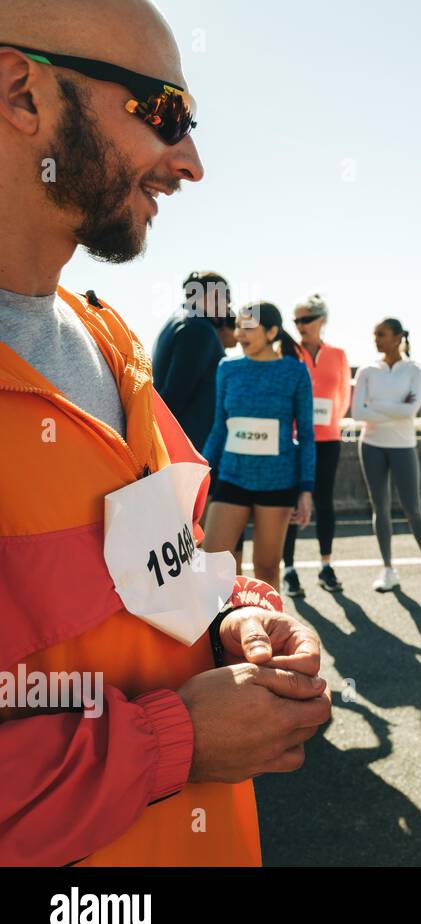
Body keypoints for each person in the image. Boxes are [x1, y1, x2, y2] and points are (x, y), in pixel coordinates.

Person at [0, 0, 329, 867]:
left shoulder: (110, 344)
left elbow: (181, 573)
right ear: (20, 92)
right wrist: (172, 740)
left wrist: (241, 621)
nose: (189, 161)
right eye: (163, 112)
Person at [201, 302, 316, 594]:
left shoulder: (295, 372)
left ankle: (269, 632)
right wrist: (199, 476)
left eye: (248, 326)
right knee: (214, 563)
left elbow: (305, 433)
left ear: (272, 332)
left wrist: (306, 489)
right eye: (238, 326)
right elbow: (218, 428)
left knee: (266, 567)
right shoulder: (227, 368)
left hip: (277, 483)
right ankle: (224, 631)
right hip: (232, 477)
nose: (239, 333)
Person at [354, 318, 421, 593]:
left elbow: (410, 412)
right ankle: (388, 570)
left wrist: (377, 406)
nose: (376, 339)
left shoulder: (416, 370)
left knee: (412, 509)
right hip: (371, 445)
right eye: (374, 334)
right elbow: (357, 413)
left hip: (403, 446)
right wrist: (392, 408)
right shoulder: (367, 371)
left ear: (397, 337)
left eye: (381, 334)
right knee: (379, 507)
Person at [281, 293, 352, 598]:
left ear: (322, 320)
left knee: (324, 502)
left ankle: (326, 565)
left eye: (306, 319)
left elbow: (344, 398)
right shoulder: (287, 353)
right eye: (296, 320)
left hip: (328, 439)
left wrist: (330, 421)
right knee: (288, 503)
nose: (300, 325)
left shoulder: (338, 354)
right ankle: (289, 569)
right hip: (295, 439)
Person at [151, 270, 235, 449]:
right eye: (227, 300)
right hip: (189, 445)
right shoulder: (198, 329)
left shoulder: (178, 320)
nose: (228, 309)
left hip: (177, 441)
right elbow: (176, 393)